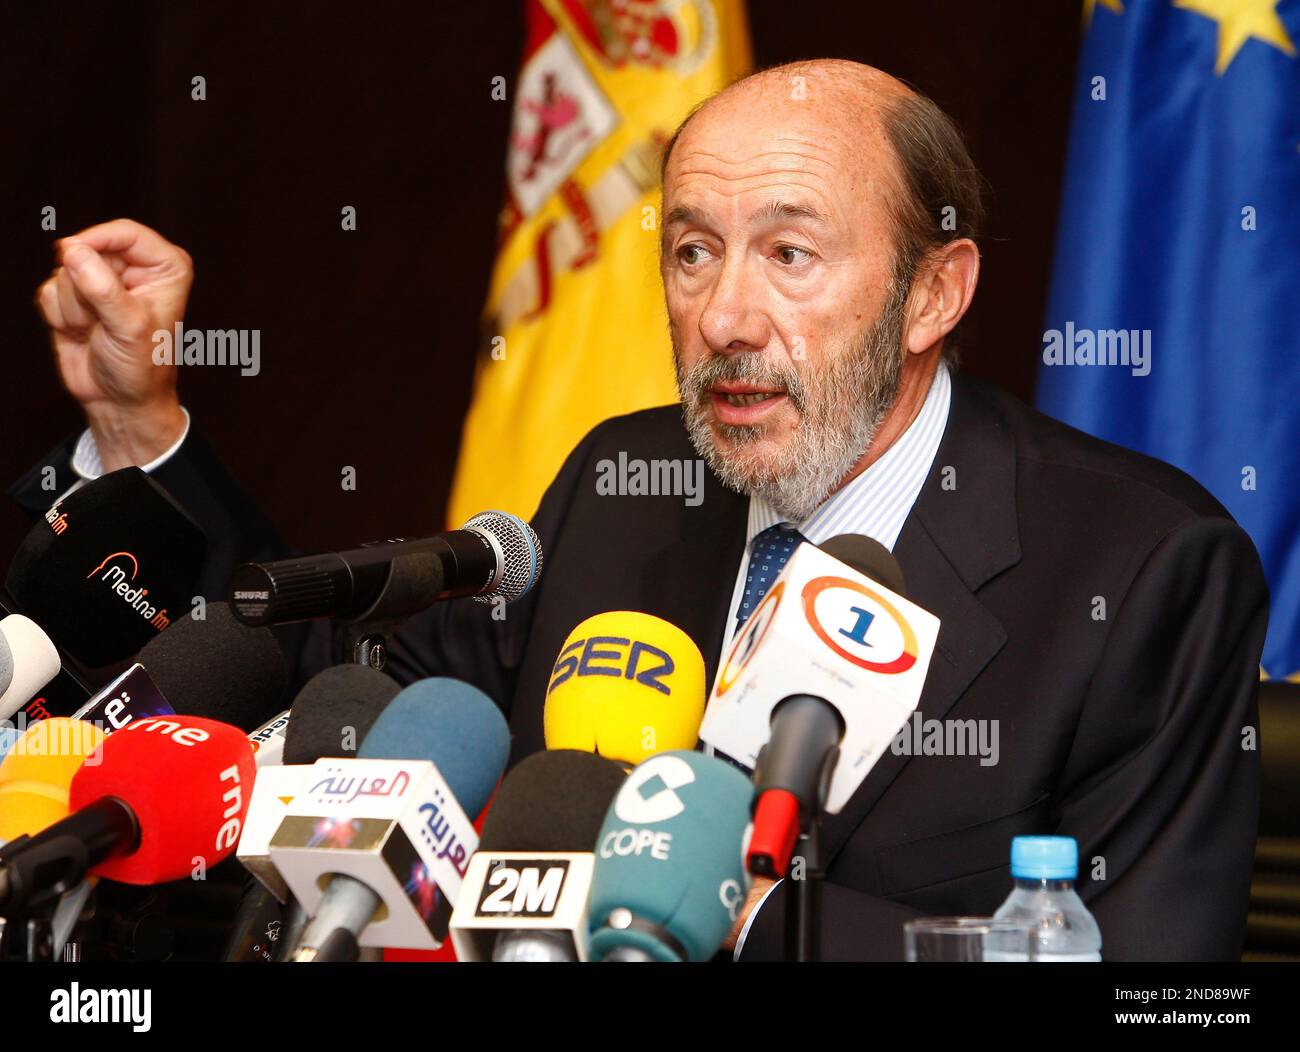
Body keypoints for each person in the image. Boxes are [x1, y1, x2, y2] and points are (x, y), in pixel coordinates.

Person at [16, 60, 1267, 961]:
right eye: (690, 251)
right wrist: (143, 428)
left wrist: (713, 901)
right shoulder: (628, 482)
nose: (721, 317)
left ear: (933, 292)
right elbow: (348, 700)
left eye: (788, 253)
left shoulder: (1138, 569)